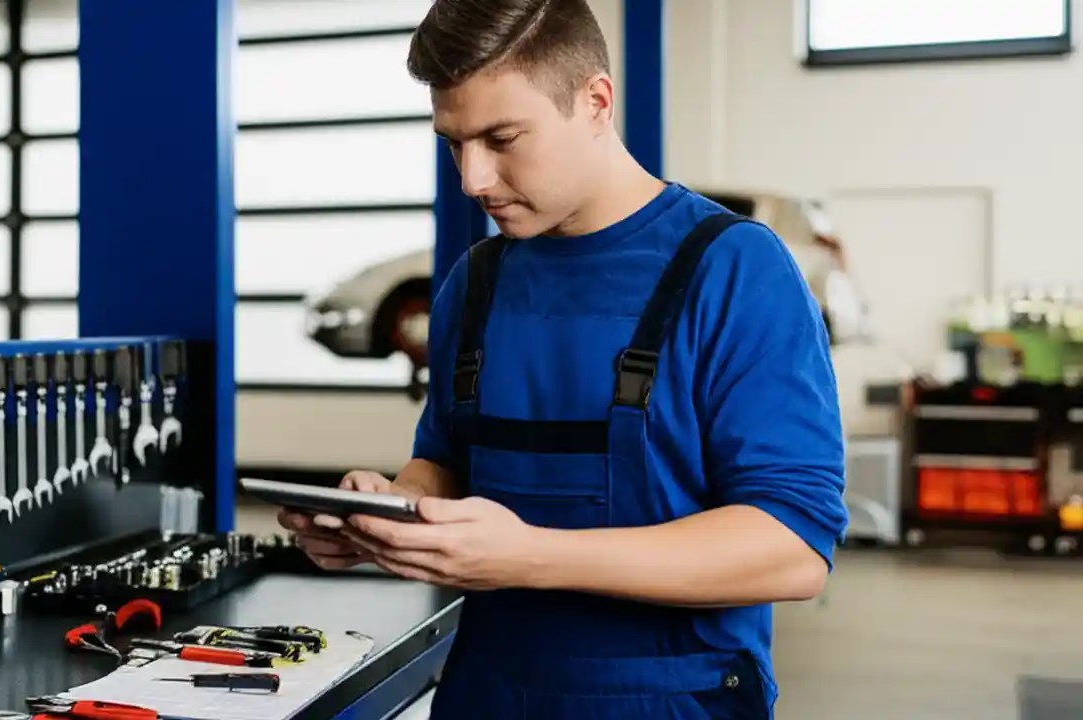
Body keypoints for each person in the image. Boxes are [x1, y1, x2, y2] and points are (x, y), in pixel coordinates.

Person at [277, 0, 849, 717]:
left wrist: (528, 555)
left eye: (502, 137)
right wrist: (391, 515)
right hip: (486, 689)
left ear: (595, 101)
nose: (473, 178)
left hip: (670, 699)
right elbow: (445, 465)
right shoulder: (476, 280)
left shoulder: (734, 270)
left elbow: (792, 548)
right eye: (454, 142)